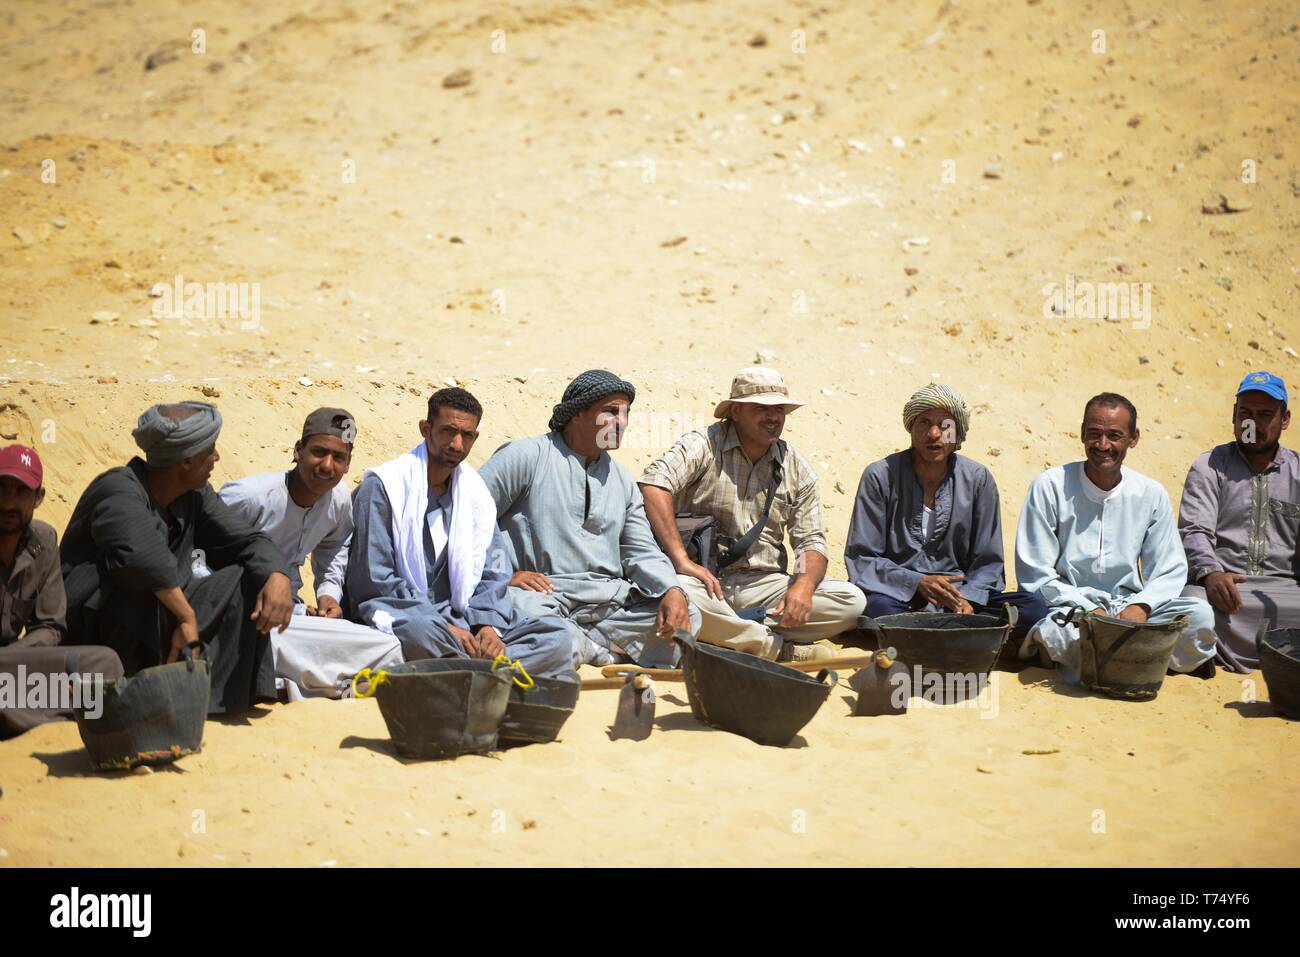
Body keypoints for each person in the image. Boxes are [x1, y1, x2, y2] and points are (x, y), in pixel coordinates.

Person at [60, 403, 295, 714]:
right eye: (210, 450)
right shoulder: (117, 487)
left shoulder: (194, 496)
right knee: (134, 585)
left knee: (247, 577)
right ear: (186, 462)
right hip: (100, 628)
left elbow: (246, 539)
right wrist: (186, 617)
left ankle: (211, 701)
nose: (216, 457)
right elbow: (142, 556)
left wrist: (277, 574)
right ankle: (128, 698)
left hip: (162, 617)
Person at [346, 388, 575, 679]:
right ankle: (486, 674)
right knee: (422, 634)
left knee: (557, 637)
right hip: (406, 615)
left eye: (466, 435)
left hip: (463, 619)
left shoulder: (475, 494)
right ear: (426, 429)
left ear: (475, 438)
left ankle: (461, 672)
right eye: (448, 431)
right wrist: (444, 628)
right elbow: (374, 580)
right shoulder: (382, 489)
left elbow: (492, 573)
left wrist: (488, 627)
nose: (456, 444)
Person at [639, 366, 864, 662]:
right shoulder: (704, 444)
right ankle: (773, 648)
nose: (773, 417)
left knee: (850, 601)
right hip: (701, 580)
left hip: (762, 585)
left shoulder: (797, 468)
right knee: (671, 590)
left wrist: (804, 587)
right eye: (761, 408)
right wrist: (681, 560)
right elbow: (654, 484)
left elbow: (810, 541)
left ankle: (722, 635)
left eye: (779, 409)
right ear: (735, 411)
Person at [478, 370, 698, 668]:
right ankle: (599, 650)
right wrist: (504, 576)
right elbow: (472, 516)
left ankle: (584, 646)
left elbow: (641, 549)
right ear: (577, 414)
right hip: (542, 597)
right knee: (536, 623)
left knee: (687, 617)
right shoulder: (526, 456)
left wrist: (672, 589)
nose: (620, 422)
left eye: (625, 413)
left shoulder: (621, 480)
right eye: (609, 412)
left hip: (607, 601)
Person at [1015, 393, 1217, 682]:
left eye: (1114, 436)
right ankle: (1143, 658)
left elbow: (1169, 569)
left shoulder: (1150, 494)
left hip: (1128, 608)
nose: (1103, 445)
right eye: (1094, 434)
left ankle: (1110, 658)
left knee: (1199, 616)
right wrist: (1089, 609)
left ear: (1133, 438)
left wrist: (1141, 606)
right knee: (1054, 632)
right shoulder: (1049, 486)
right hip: (1071, 607)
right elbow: (1036, 573)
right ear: (1082, 432)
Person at [219, 408, 401, 699]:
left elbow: (336, 547)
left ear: (348, 464)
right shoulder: (250, 497)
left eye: (338, 457)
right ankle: (312, 684)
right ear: (298, 450)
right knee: (263, 644)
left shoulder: (338, 500)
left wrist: (328, 595)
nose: (327, 465)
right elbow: (197, 551)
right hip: (241, 615)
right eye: (319, 452)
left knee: (385, 646)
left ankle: (306, 683)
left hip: (293, 615)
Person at [844, 384, 1045, 644]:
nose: (934, 433)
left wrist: (967, 598)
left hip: (959, 596)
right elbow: (862, 557)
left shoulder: (978, 480)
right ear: (911, 427)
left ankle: (928, 635)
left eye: (945, 425)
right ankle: (963, 637)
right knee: (879, 609)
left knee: (1033, 610)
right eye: (924, 422)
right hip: (901, 594)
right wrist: (917, 581)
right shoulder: (881, 475)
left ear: (958, 432)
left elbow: (988, 563)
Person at [1178, 371, 1299, 672]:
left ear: (1284, 419)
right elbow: (1194, 531)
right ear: (1234, 415)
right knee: (1189, 606)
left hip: (1287, 594)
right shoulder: (1210, 466)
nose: (1252, 424)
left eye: (1265, 415)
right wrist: (1209, 574)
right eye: (1245, 413)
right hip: (1223, 593)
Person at [0, 445, 123, 737]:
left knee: (106, 663)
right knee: (80, 696)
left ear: (39, 498)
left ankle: (15, 709)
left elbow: (50, 626)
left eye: (21, 492)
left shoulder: (44, 541)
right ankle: (50, 708)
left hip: (10, 665)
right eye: (2, 489)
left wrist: (17, 656)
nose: (8, 503)